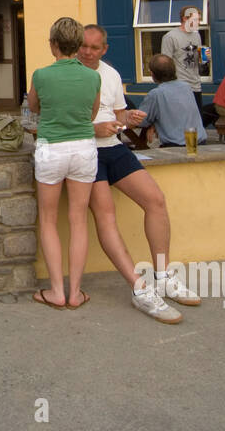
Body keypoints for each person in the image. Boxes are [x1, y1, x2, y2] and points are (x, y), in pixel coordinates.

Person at [78, 25, 201, 323]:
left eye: (95, 47)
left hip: (113, 145)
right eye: (83, 45)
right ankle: (139, 288)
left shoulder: (111, 73)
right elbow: (55, 122)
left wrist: (127, 118)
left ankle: (163, 276)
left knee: (155, 200)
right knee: (106, 216)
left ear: (104, 49)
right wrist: (93, 128)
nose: (88, 51)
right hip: (84, 150)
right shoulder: (68, 73)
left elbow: (117, 114)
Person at [27, 17, 100, 309]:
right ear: (77, 44)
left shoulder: (41, 75)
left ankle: (56, 290)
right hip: (83, 148)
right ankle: (76, 291)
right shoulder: (93, 76)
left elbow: (33, 107)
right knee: (78, 220)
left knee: (48, 220)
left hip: (51, 149)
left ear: (54, 44)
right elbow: (92, 115)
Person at [135, 54, 206, 148]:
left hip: (176, 146)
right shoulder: (187, 87)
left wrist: (153, 123)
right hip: (199, 142)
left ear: (152, 74)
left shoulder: (156, 94)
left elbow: (141, 121)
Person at [160, 5, 207, 114]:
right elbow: (165, 65)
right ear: (185, 19)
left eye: (199, 19)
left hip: (195, 85)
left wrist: (204, 58)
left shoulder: (196, 35)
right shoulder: (170, 37)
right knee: (181, 122)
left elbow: (200, 61)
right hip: (178, 87)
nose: (198, 22)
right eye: (195, 20)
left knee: (195, 121)